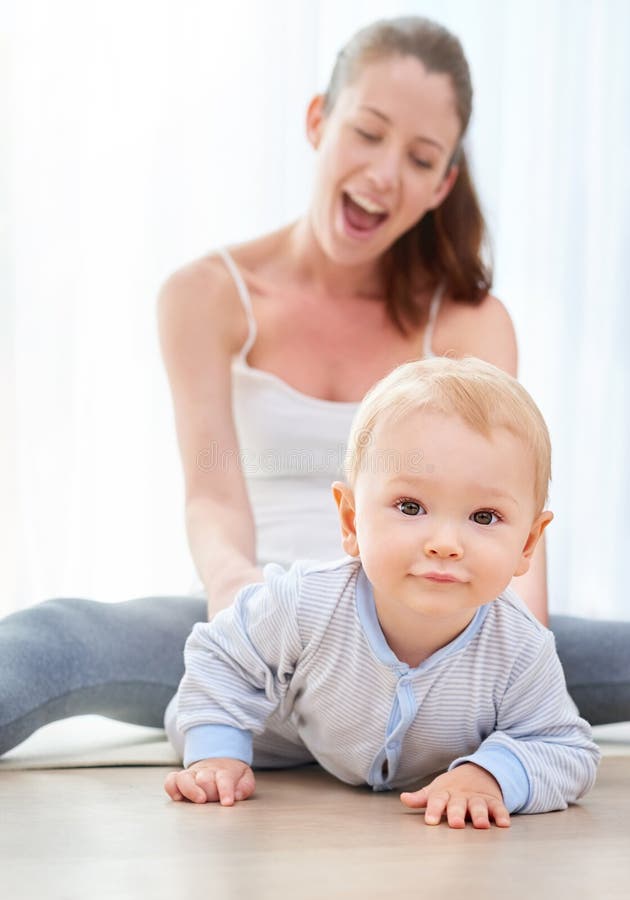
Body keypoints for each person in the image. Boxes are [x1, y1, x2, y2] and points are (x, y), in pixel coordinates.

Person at [0, 16, 627, 759]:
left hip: (444, 617)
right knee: (51, 641)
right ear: (317, 120)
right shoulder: (206, 295)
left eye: (421, 158)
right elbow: (212, 486)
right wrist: (241, 598)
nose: (385, 172)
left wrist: (515, 668)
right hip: (267, 612)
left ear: (442, 184)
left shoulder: (469, 320)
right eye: (367, 132)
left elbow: (504, 505)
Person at [162, 357, 601, 829]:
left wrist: (490, 775)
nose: (445, 544)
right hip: (279, 737)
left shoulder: (520, 649)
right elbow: (221, 655)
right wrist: (217, 753)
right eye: (411, 506)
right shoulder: (305, 602)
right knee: (191, 713)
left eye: (484, 517)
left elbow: (565, 749)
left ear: (528, 543)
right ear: (351, 521)